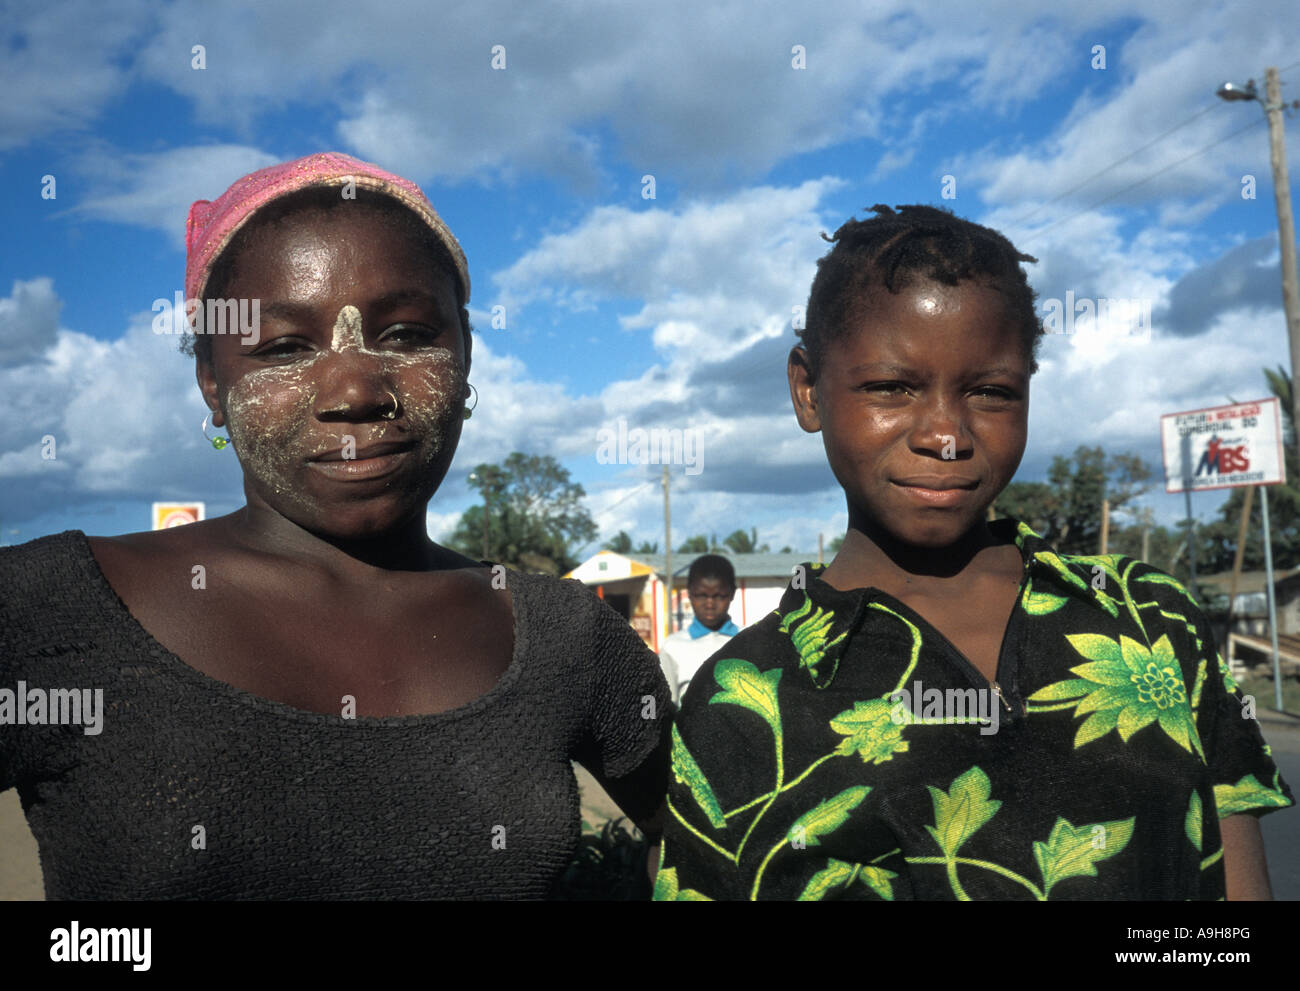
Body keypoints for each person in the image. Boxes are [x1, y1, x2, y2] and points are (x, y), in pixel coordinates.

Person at [0, 152, 671, 900]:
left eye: (409, 333)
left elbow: (711, 841)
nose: (355, 388)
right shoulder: (48, 609)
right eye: (285, 347)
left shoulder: (563, 636)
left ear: (467, 350)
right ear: (212, 382)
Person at [654, 204, 1293, 901]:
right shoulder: (743, 704)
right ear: (808, 389)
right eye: (891, 388)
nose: (946, 434)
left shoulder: (1149, 619)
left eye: (990, 392)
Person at [658, 554, 740, 705]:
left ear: (732, 593)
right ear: (689, 593)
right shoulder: (673, 647)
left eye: (719, 596)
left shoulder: (747, 642)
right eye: (701, 595)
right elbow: (665, 706)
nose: (710, 603)